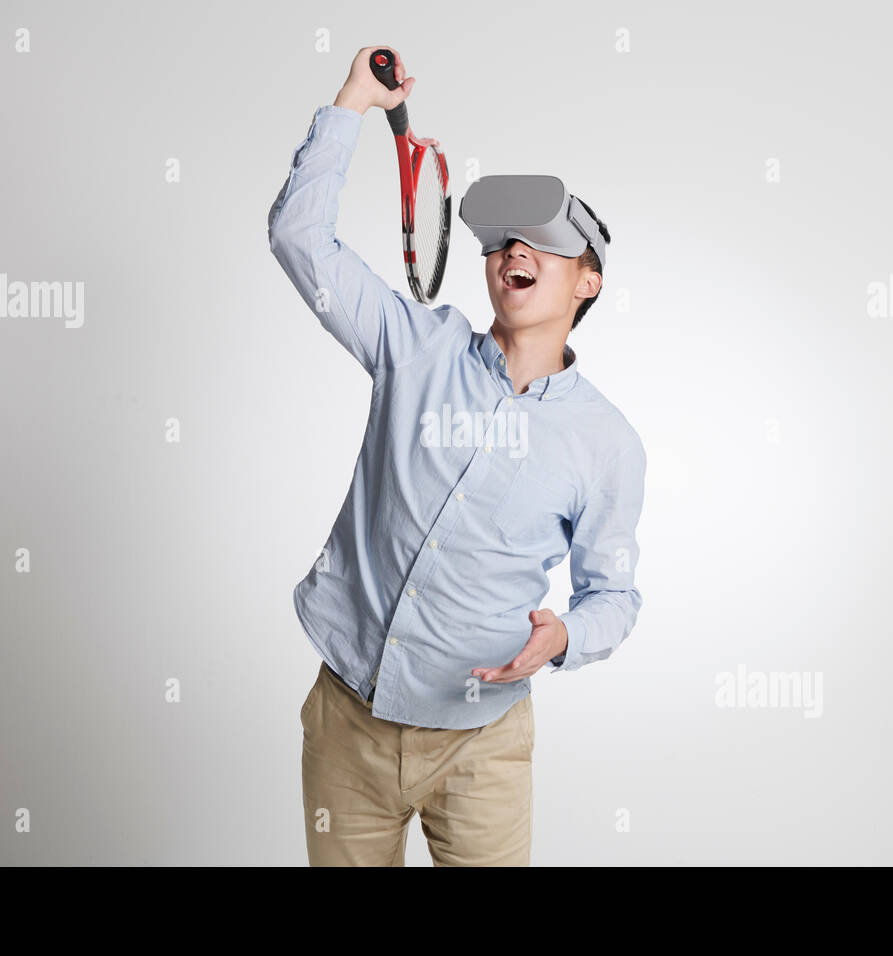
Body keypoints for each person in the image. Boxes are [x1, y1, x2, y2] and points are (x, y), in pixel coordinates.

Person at [267, 45, 647, 866]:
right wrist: (351, 106)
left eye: (546, 242)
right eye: (504, 239)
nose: (517, 250)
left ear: (588, 283)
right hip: (348, 725)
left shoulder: (607, 443)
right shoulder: (415, 344)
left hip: (484, 745)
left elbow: (613, 594)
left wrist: (567, 639)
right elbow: (299, 237)